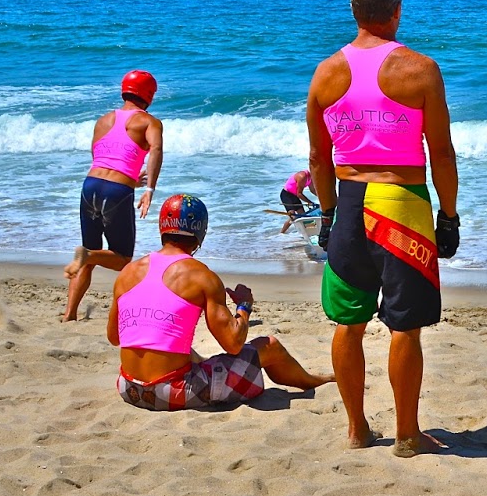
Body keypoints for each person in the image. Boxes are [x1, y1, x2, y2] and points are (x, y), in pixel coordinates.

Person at [305, 0, 460, 456]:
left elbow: (317, 158)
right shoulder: (420, 69)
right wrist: (449, 216)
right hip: (400, 202)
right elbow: (442, 151)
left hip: (349, 202)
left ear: (354, 11)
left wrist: (327, 214)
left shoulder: (326, 73)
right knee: (405, 326)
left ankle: (356, 430)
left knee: (347, 322)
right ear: (396, 12)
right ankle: (407, 436)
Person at [110, 194, 332, 410]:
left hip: (128, 387)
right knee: (270, 346)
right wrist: (244, 306)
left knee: (182, 349)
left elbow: (115, 337)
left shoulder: (128, 272)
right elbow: (233, 344)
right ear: (201, 232)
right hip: (169, 393)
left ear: (162, 227)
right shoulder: (201, 276)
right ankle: (311, 382)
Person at [63, 70, 164, 322]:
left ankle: (69, 314)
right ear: (149, 94)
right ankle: (87, 254)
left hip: (90, 186)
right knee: (122, 258)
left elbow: (100, 159)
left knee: (89, 254)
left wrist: (129, 179)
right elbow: (156, 149)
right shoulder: (149, 122)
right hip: (117, 192)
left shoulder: (103, 120)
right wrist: (149, 188)